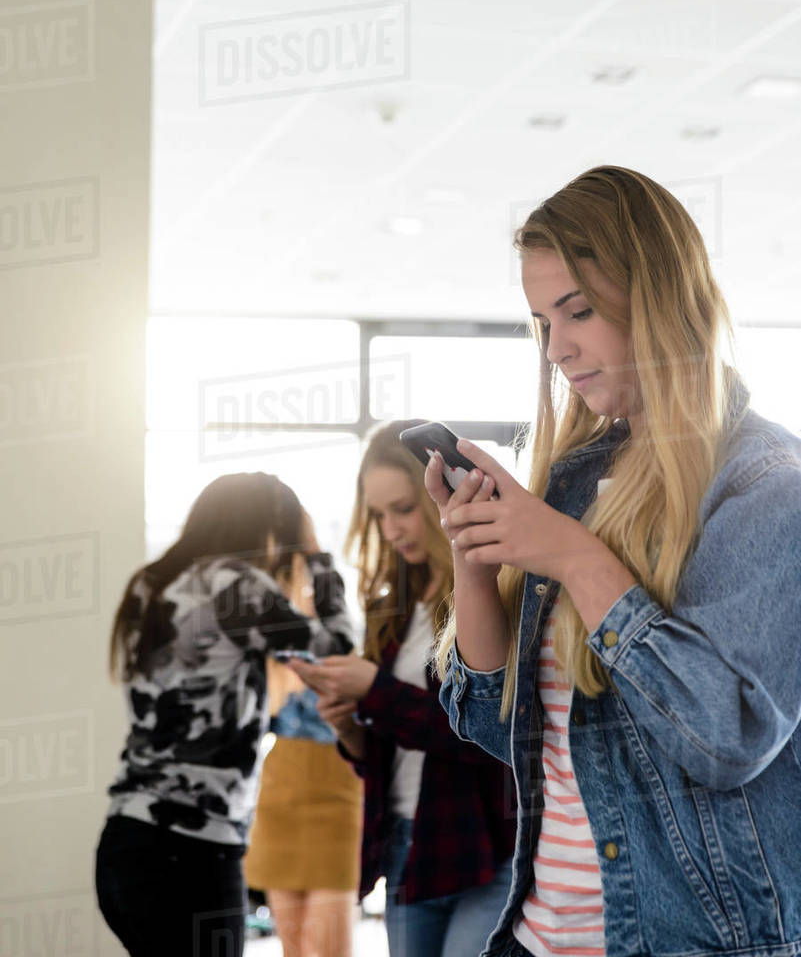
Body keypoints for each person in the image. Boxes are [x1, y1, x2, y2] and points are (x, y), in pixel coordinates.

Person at [430, 165, 801, 957]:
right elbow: (501, 728)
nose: (557, 348)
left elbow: (724, 739)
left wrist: (573, 558)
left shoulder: (768, 487)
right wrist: (473, 555)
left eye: (579, 311)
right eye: (540, 322)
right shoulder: (571, 477)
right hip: (536, 938)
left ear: (660, 296)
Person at [96, 472, 353, 957]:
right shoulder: (237, 584)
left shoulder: (150, 584)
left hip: (125, 842)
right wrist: (316, 555)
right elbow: (336, 650)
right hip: (190, 852)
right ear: (271, 530)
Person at [290, 420, 517, 957]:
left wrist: (375, 690)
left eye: (403, 508)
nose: (390, 528)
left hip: (484, 849)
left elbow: (491, 735)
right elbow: (385, 753)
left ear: (439, 491)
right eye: (378, 514)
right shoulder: (390, 607)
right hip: (407, 850)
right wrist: (349, 727)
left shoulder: (495, 591)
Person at [244, 548, 362, 957]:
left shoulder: (341, 636)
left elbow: (341, 646)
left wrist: (315, 554)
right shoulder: (272, 647)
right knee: (293, 949)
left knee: (328, 950)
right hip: (279, 799)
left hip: (338, 794)